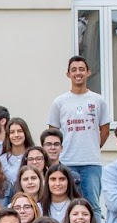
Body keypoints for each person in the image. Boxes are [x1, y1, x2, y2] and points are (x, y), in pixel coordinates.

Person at [47, 56, 112, 208]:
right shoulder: (60, 102)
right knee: (66, 203)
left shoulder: (98, 100)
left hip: (91, 162)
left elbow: (105, 130)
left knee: (92, 204)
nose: (78, 73)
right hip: (67, 161)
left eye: (82, 69)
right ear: (68, 74)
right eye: (74, 70)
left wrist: (93, 146)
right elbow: (53, 133)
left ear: (88, 72)